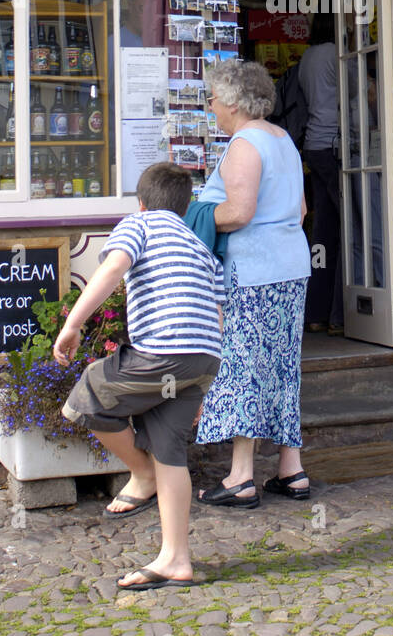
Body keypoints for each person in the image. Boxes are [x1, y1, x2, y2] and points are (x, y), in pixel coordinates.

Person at [53, 163, 225, 590]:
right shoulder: (200, 245)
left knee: (86, 397)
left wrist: (73, 324)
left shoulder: (138, 225)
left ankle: (139, 472)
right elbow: (218, 312)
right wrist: (201, 382)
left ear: (142, 203)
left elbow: (113, 269)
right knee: (170, 449)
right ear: (186, 209)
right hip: (204, 356)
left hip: (160, 351)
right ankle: (176, 559)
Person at [195, 59, 312, 506]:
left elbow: (239, 212)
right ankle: (291, 469)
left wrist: (197, 217)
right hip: (290, 267)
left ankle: (241, 477)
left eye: (213, 99)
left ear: (231, 101)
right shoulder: (283, 140)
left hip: (255, 273)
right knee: (283, 366)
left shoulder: (244, 144)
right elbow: (300, 212)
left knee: (244, 365)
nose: (211, 108)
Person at [298, 13, 344, 333]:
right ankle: (343, 316)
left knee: (323, 234)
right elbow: (356, 93)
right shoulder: (334, 54)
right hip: (334, 145)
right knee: (355, 229)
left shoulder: (307, 57)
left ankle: (315, 312)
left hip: (313, 145)